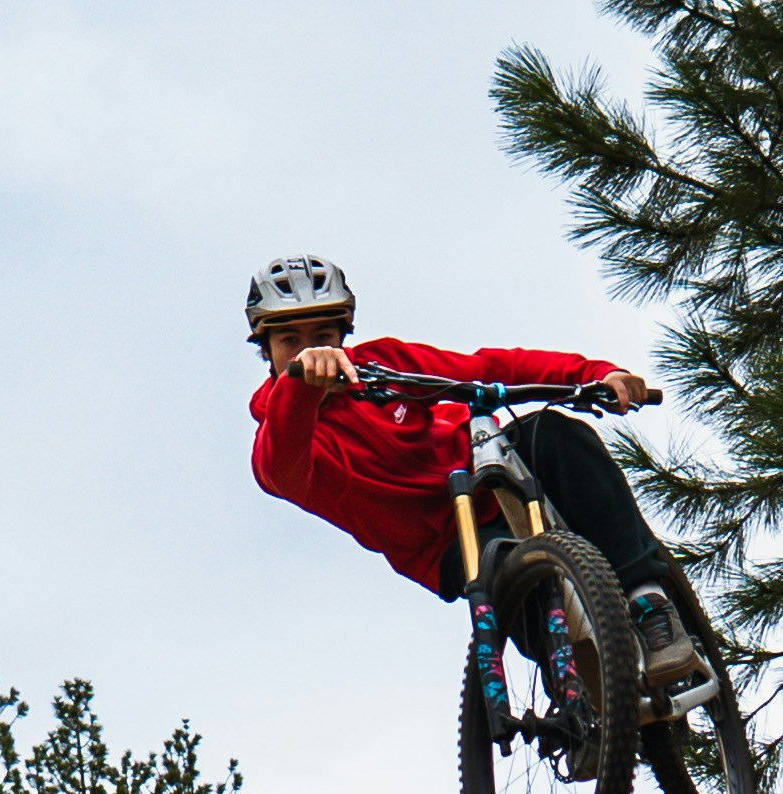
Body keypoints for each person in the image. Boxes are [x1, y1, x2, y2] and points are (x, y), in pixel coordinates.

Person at [240, 254, 706, 692]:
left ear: (344, 334)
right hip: (446, 544)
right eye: (290, 340)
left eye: (323, 333)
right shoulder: (279, 443)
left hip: (496, 472)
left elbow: (487, 368)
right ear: (266, 349)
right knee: (510, 576)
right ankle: (582, 704)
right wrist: (300, 386)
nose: (311, 350)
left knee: (556, 434)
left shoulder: (385, 365)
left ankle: (648, 599)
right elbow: (284, 464)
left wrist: (598, 374)